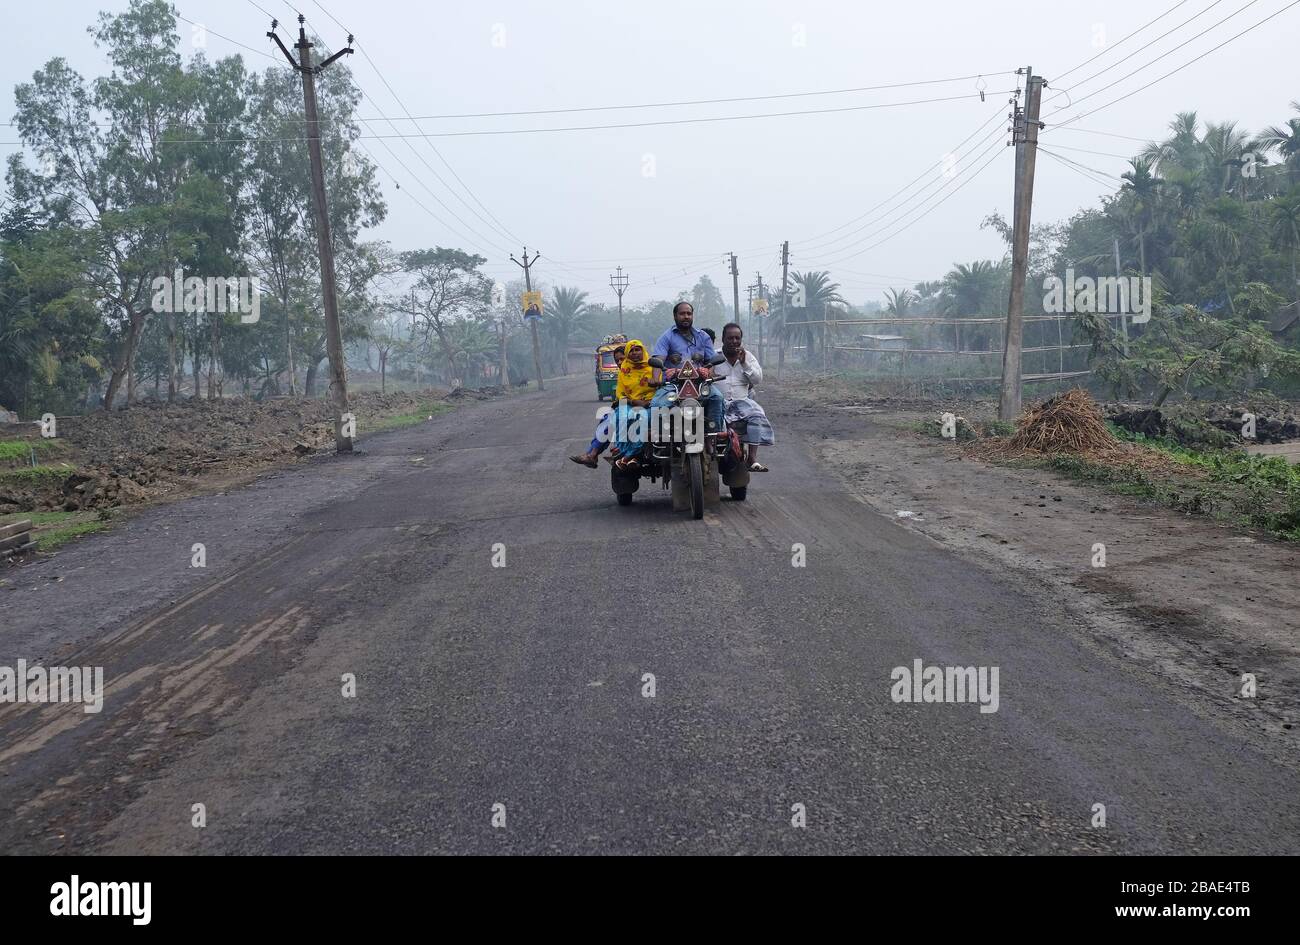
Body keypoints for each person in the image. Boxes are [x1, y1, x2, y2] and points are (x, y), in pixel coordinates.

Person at [649, 301, 725, 437]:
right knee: (657, 404)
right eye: (682, 313)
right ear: (675, 316)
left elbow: (711, 362)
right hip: (673, 386)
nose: (686, 316)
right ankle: (661, 442)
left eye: (689, 313)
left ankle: (713, 439)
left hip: (700, 384)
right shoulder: (666, 337)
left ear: (692, 316)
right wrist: (656, 378)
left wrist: (708, 372)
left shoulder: (703, 336)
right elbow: (658, 360)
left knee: (717, 398)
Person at [714, 322, 774, 471]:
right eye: (730, 338)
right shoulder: (714, 356)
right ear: (723, 339)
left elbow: (757, 380)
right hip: (718, 403)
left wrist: (745, 363)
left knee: (758, 414)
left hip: (742, 403)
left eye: (737, 338)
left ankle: (752, 459)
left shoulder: (748, 357)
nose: (734, 341)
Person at [604, 339, 658, 469]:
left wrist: (647, 402)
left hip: (650, 404)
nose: (635, 353)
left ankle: (628, 456)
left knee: (641, 418)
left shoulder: (654, 367)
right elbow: (620, 394)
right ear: (628, 353)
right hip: (630, 403)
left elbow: (661, 386)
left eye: (637, 349)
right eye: (631, 351)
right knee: (619, 416)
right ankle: (624, 452)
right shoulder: (624, 369)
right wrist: (634, 402)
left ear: (643, 350)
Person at [569, 343, 625, 467]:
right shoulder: (623, 374)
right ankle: (592, 454)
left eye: (623, 359)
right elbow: (621, 396)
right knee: (608, 418)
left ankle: (594, 454)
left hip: (642, 406)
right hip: (627, 406)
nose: (620, 363)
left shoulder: (647, 370)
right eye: (617, 360)